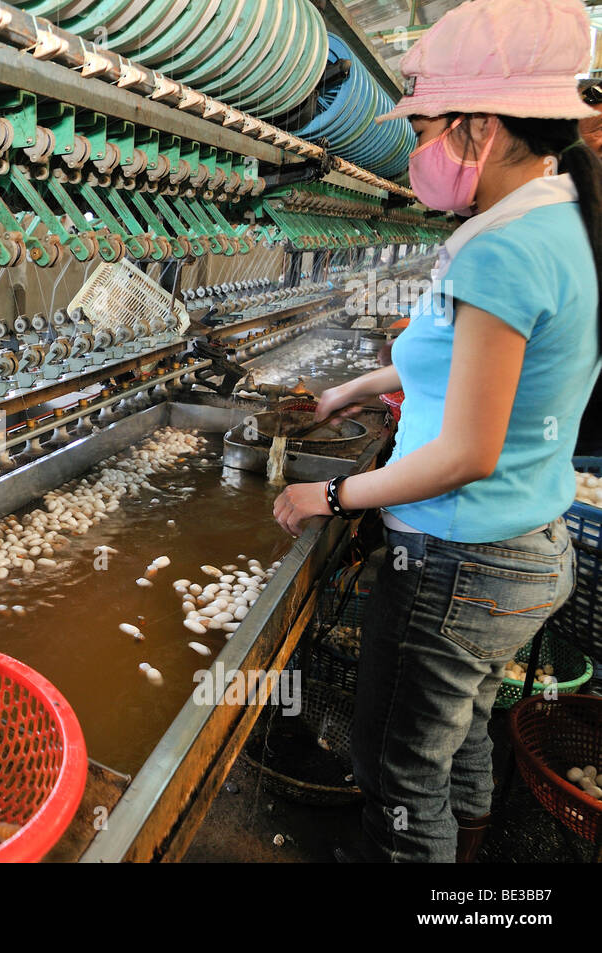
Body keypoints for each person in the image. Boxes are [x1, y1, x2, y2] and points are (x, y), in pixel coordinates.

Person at [271, 0, 602, 863]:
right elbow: (473, 362)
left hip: (461, 560)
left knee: (398, 767)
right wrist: (356, 386)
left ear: (480, 129)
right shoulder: (556, 218)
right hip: (519, 546)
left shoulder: (504, 249)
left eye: (424, 125)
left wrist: (332, 493)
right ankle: (475, 861)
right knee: (456, 741)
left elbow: (465, 452)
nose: (418, 146)